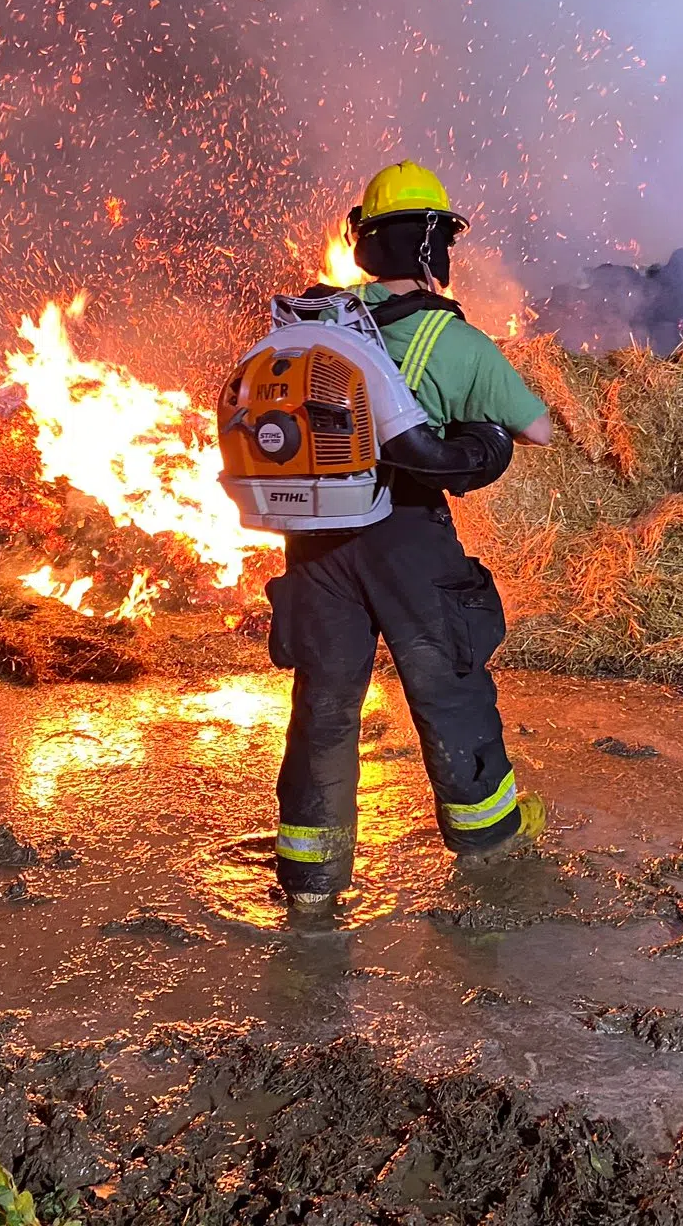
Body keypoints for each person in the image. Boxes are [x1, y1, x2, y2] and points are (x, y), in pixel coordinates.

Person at [267, 160, 555, 912]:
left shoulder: (310, 324)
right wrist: (478, 432)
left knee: (325, 709)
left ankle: (310, 885)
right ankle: (489, 859)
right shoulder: (453, 344)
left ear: (364, 244)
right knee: (448, 692)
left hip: (314, 545)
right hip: (406, 538)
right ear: (436, 246)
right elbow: (540, 430)